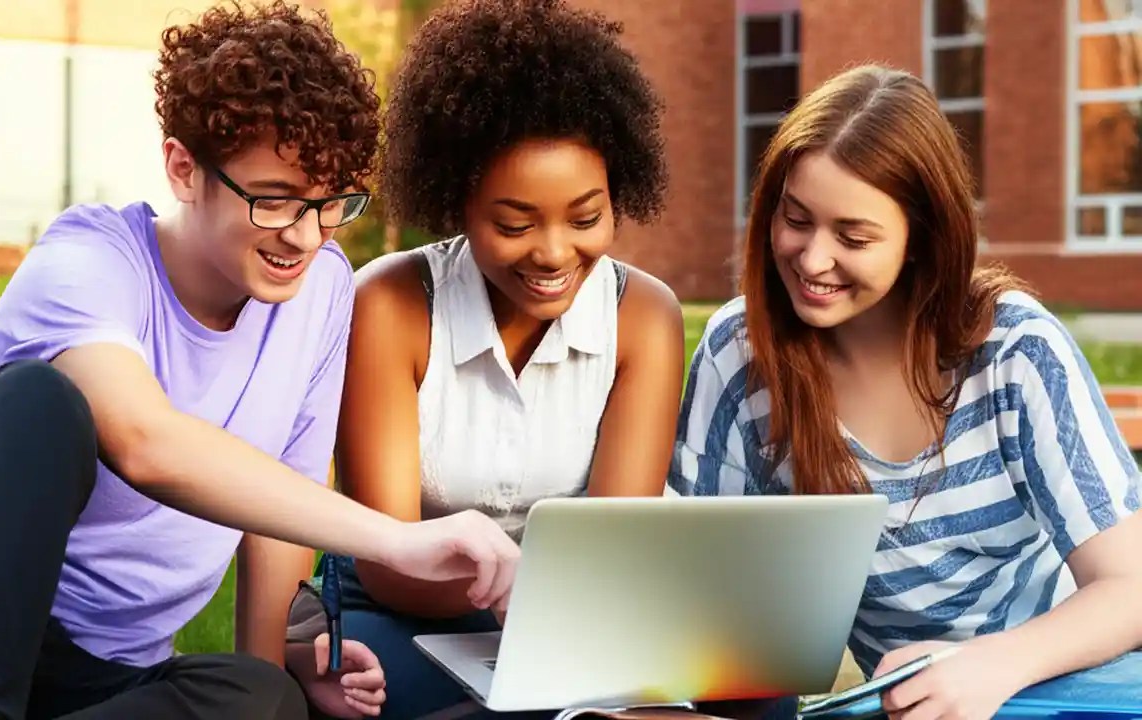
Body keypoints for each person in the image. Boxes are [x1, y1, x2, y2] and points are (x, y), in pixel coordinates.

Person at [0, 3, 519, 719]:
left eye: (331, 203)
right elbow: (147, 444)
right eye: (275, 201)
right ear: (183, 167)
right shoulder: (87, 262)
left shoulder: (322, 290)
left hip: (104, 679)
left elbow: (281, 505)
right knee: (37, 399)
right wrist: (400, 542)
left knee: (258, 693)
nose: (304, 236)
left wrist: (286, 681)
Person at [670, 64, 1142, 719]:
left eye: (853, 236)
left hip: (1056, 689)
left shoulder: (1015, 351)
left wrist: (993, 663)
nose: (811, 259)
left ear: (921, 238)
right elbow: (701, 590)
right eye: (796, 219)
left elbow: (1130, 585)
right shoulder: (740, 352)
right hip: (903, 707)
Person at [308, 0, 686, 716]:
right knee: (362, 690)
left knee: (760, 692)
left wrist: (548, 613)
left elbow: (614, 545)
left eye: (586, 217)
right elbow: (391, 561)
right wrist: (525, 597)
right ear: (457, 201)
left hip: (575, 620)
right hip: (405, 612)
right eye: (514, 224)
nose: (552, 253)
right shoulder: (390, 306)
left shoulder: (644, 317)